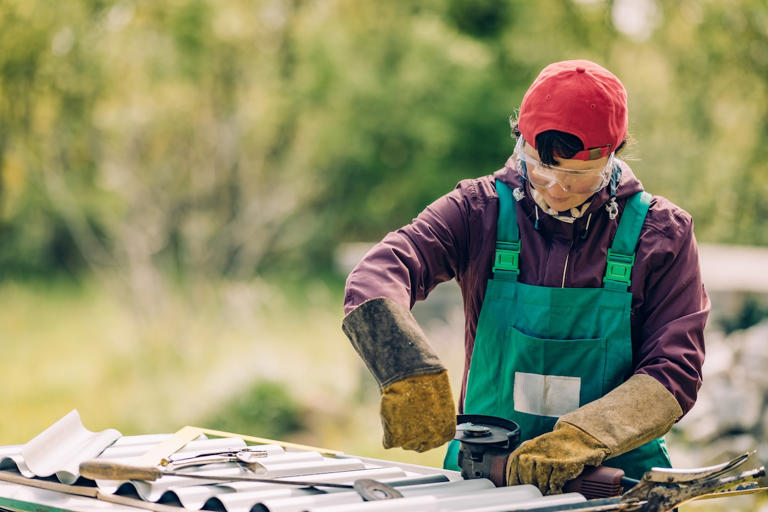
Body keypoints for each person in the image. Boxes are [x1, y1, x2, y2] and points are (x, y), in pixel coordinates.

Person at [341, 59, 708, 495]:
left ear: (612, 154)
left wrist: (583, 437)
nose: (555, 188)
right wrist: (405, 366)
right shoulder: (479, 211)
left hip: (614, 487)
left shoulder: (661, 235)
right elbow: (382, 270)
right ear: (520, 144)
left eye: (576, 175)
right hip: (481, 482)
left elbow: (675, 369)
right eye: (540, 167)